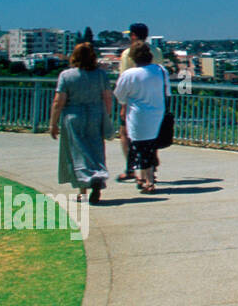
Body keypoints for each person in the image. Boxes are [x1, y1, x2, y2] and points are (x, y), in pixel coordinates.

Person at [49, 43, 114, 203]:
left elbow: (59, 101)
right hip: (95, 115)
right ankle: (98, 175)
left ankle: (83, 190)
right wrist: (106, 115)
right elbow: (107, 97)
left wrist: (53, 123)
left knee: (77, 153)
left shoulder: (66, 76)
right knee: (96, 149)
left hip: (73, 115)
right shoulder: (101, 75)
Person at [113, 40, 170, 194]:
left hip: (138, 114)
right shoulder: (161, 70)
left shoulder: (129, 74)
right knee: (150, 147)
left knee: (139, 147)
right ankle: (146, 178)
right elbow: (167, 93)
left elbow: (119, 95)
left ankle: (146, 180)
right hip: (158, 112)